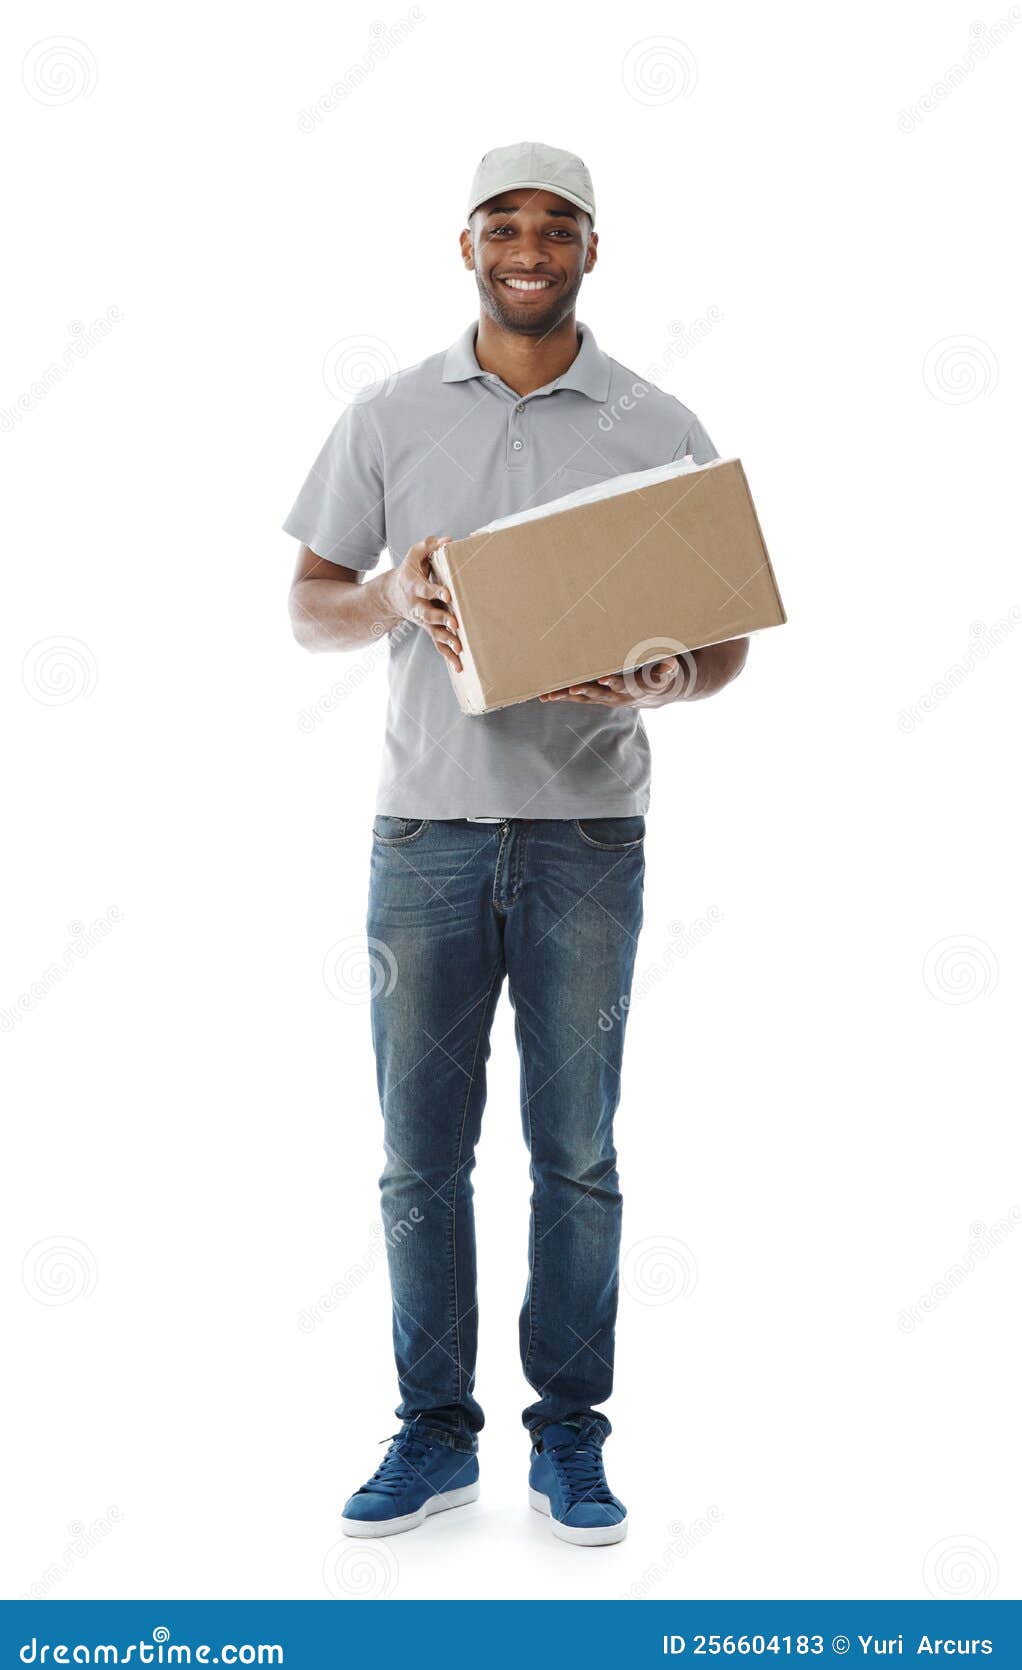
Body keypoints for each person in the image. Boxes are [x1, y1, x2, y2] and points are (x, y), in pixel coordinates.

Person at [285, 142, 748, 1547]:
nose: (529, 247)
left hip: (584, 838)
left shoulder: (655, 421)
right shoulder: (387, 412)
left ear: (592, 252)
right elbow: (309, 604)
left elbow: (721, 639)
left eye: (558, 227)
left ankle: (569, 1433)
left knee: (576, 1150)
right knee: (417, 1155)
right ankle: (433, 1432)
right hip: (422, 829)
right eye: (504, 224)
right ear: (467, 245)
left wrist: (664, 677)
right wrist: (392, 591)